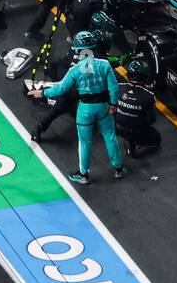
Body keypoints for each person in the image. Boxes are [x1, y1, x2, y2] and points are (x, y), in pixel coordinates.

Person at [30, 31, 125, 184]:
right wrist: (113, 104)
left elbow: (60, 88)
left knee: (85, 142)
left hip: (85, 109)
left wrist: (42, 93)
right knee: (109, 136)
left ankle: (84, 175)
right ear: (93, 46)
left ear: (77, 49)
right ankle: (118, 168)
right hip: (103, 107)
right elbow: (114, 88)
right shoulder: (105, 65)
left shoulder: (74, 70)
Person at [116, 59, 161, 158]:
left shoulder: (118, 87)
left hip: (117, 126)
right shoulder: (149, 95)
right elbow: (152, 119)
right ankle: (133, 141)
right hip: (136, 129)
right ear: (145, 76)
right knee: (157, 139)